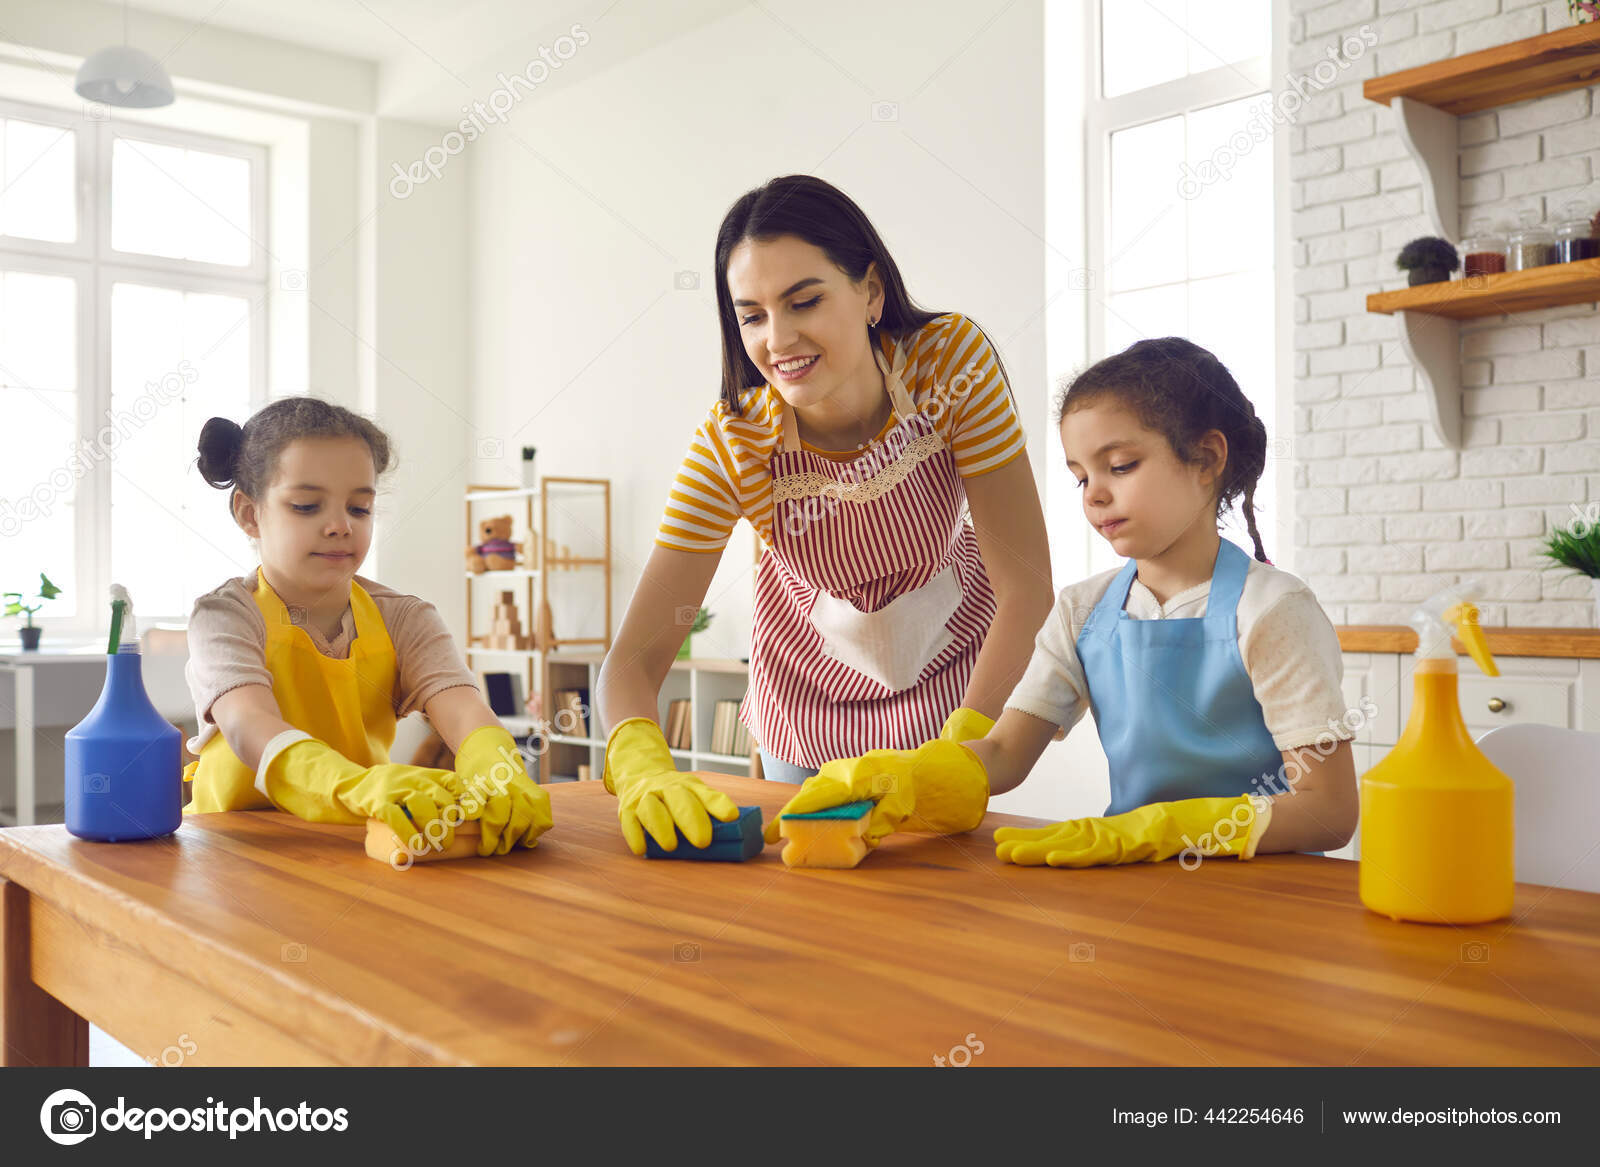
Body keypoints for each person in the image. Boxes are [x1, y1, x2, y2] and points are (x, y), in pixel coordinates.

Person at [769, 338, 1359, 867]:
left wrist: (1166, 828)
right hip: (1135, 886)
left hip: (1271, 891)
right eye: (1081, 476)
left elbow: (1329, 810)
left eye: (1120, 466)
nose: (1096, 494)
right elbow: (1004, 751)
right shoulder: (1083, 609)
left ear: (1205, 459)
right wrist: (910, 778)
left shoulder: (1273, 608)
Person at [596, 174, 1052, 856]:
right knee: (816, 906)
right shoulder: (732, 443)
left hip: (955, 685)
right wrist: (638, 766)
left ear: (870, 292)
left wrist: (962, 751)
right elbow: (631, 659)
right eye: (751, 315)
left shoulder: (950, 365)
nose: (778, 339)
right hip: (806, 704)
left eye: (803, 301)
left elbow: (1026, 589)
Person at [183, 397, 551, 859]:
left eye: (359, 509)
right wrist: (355, 785)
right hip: (231, 852)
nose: (339, 526)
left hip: (353, 848)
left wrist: (499, 770)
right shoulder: (226, 617)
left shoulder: (406, 619)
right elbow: (248, 723)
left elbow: (462, 710)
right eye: (306, 506)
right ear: (249, 513)